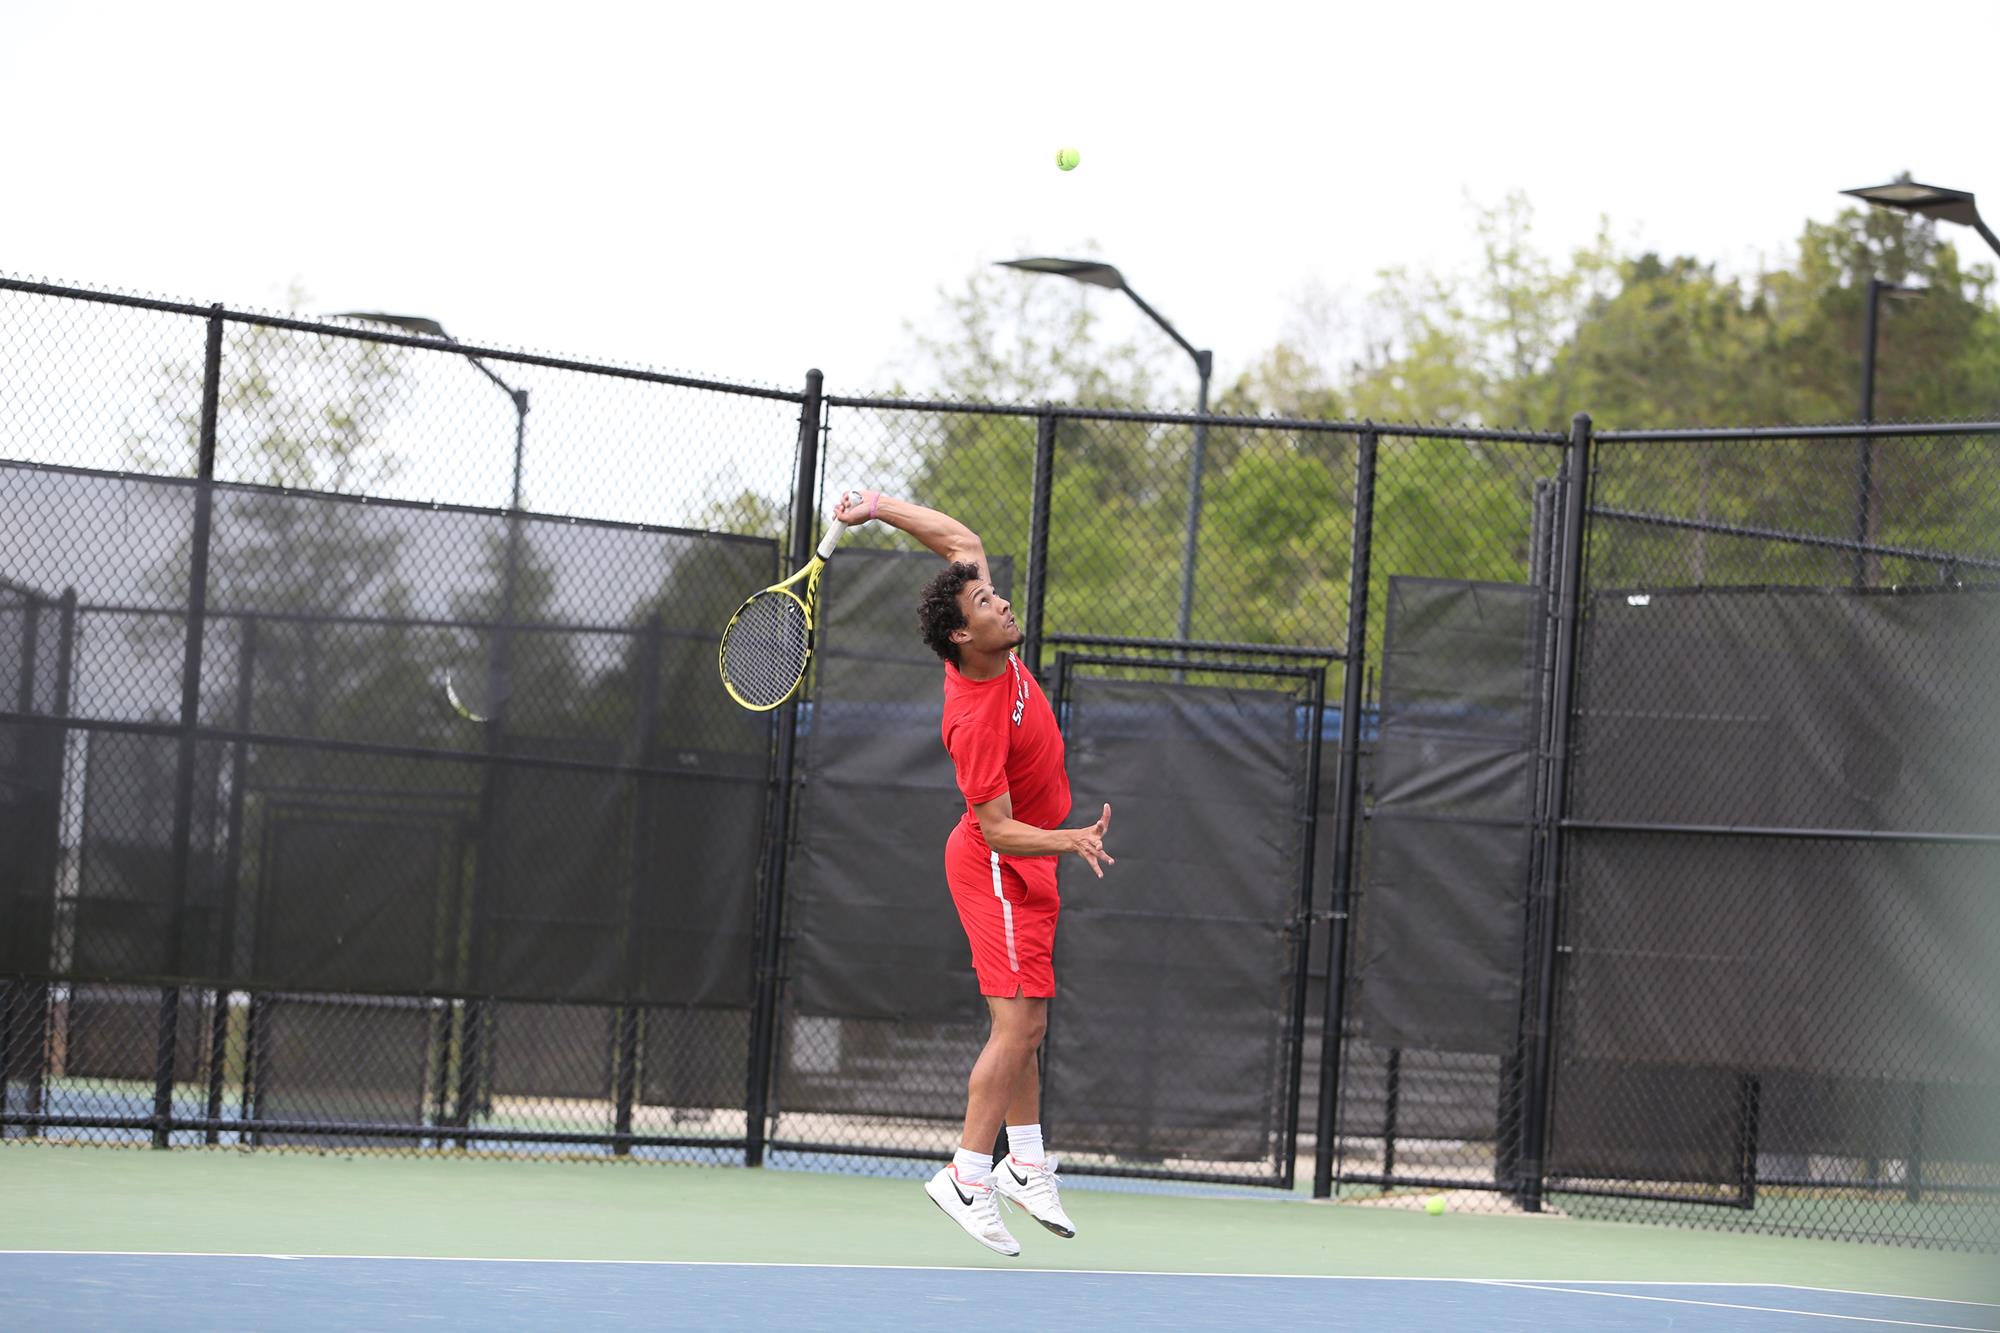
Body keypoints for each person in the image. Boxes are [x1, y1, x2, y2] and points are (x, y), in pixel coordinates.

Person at [833, 489, 1114, 1258]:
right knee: (1018, 1024)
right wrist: (1071, 840)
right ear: (963, 633)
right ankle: (966, 1173)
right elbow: (995, 828)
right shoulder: (974, 714)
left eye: (992, 591)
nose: (1001, 600)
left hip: (1030, 861)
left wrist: (879, 507)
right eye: (986, 600)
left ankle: (1024, 1161)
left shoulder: (994, 641)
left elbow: (960, 534)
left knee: (1029, 1024)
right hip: (998, 864)